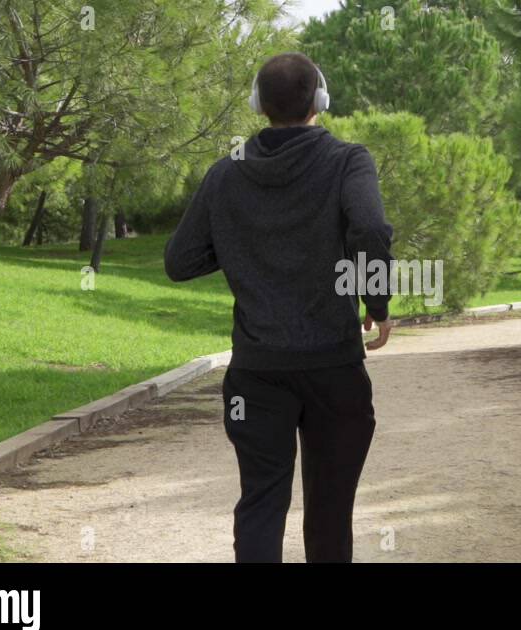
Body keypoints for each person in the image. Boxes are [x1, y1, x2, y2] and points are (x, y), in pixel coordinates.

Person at [164, 52, 394, 563]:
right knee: (331, 510)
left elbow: (180, 260)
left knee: (262, 502)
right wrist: (376, 303)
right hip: (334, 366)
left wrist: (244, 250)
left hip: (257, 372)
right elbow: (371, 229)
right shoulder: (348, 160)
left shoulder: (226, 173)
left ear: (257, 104)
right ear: (320, 100)